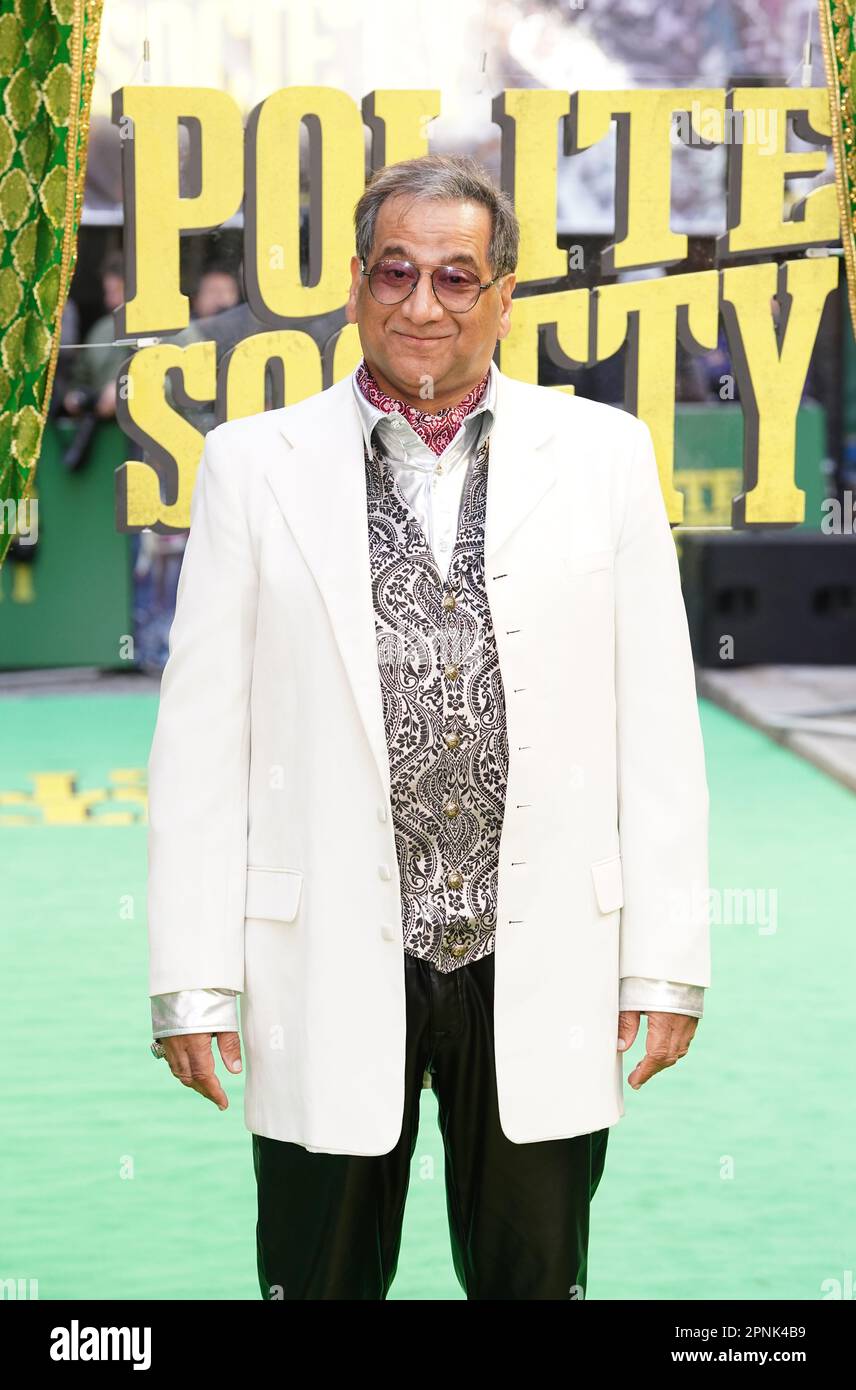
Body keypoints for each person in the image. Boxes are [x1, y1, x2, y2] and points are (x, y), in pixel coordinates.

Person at [146, 154, 710, 1300]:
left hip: (540, 944)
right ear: (355, 283)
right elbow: (201, 749)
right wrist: (190, 980)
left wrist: (664, 963)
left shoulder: (604, 457)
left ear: (504, 294)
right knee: (319, 1280)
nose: (422, 304)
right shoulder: (251, 468)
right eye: (397, 271)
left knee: (533, 1283)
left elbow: (659, 733)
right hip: (328, 947)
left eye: (458, 277)